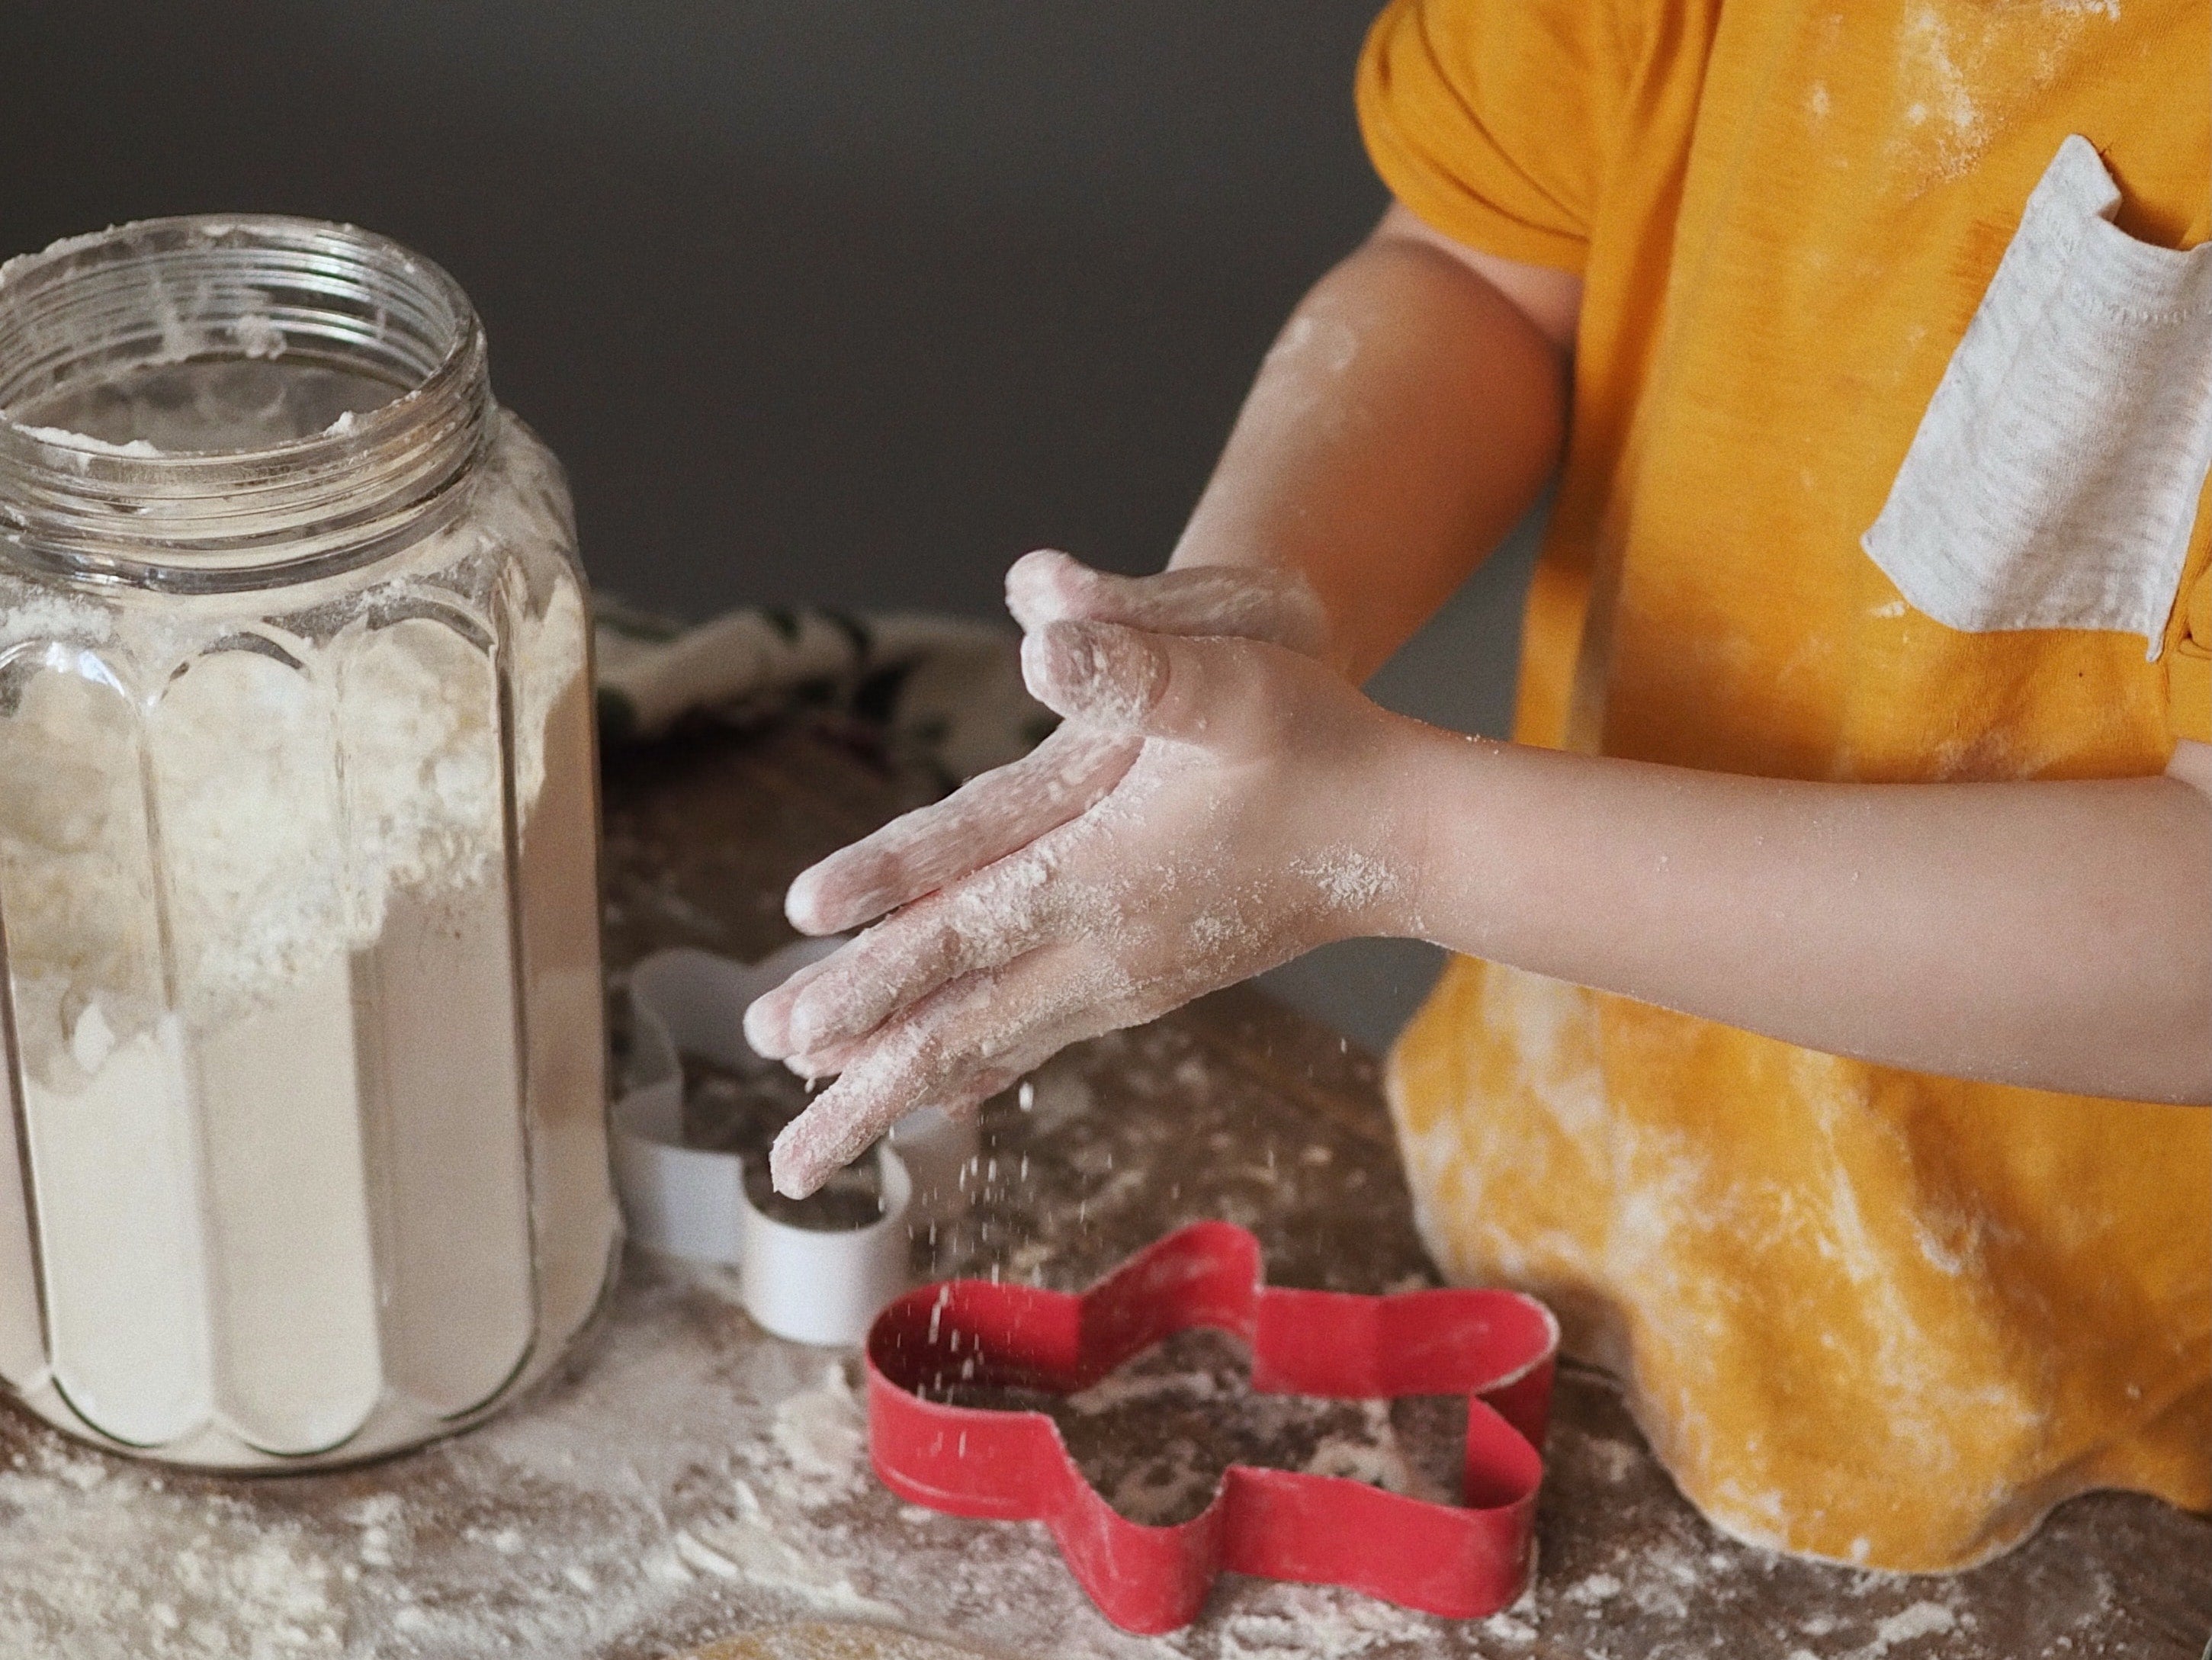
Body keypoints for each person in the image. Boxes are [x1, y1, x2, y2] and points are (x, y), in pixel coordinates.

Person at [745, 0, 2211, 1570]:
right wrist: (1259, 633)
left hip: (2095, 1408)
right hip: (1570, 1184)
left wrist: (1389, 835)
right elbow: (1480, 271)